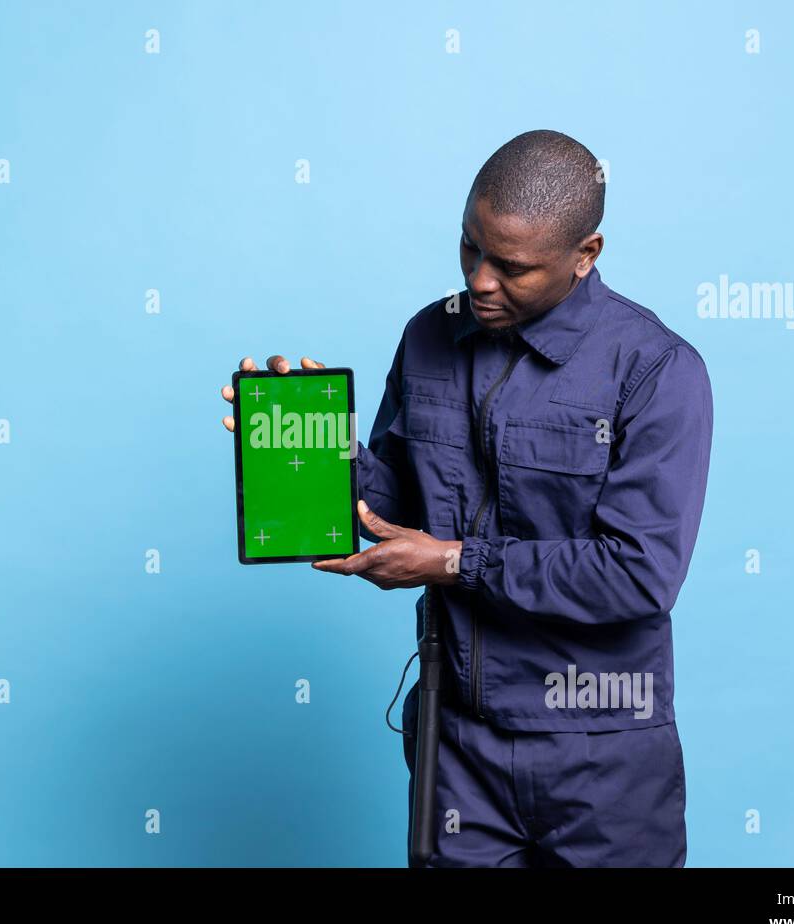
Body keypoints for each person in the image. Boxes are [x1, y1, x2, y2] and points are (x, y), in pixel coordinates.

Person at [219, 130, 713, 867]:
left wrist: (453, 562)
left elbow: (638, 574)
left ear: (587, 253)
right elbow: (387, 501)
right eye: (468, 247)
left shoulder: (656, 370)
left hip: (603, 750)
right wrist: (309, 450)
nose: (481, 281)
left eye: (511, 266)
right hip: (459, 746)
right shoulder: (429, 334)